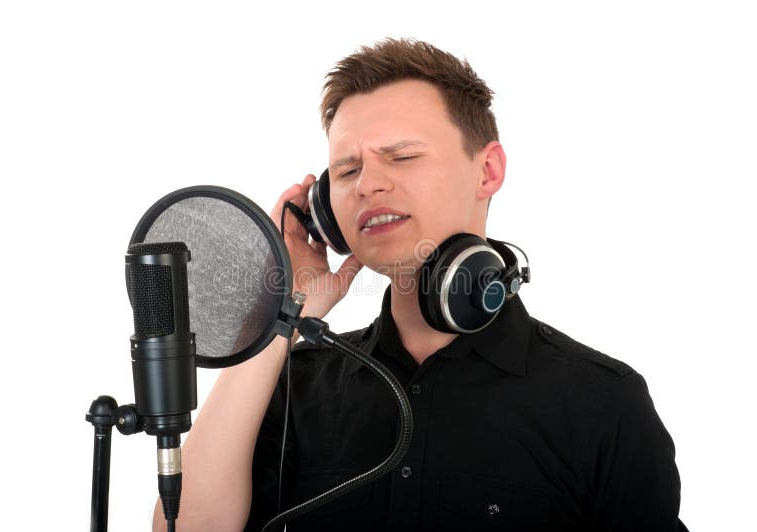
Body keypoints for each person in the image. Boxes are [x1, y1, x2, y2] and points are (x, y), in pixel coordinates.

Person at [153, 38, 687, 532]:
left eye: (402, 156)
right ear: (326, 215)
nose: (369, 184)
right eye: (346, 170)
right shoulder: (293, 386)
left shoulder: (602, 402)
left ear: (487, 172)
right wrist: (279, 313)